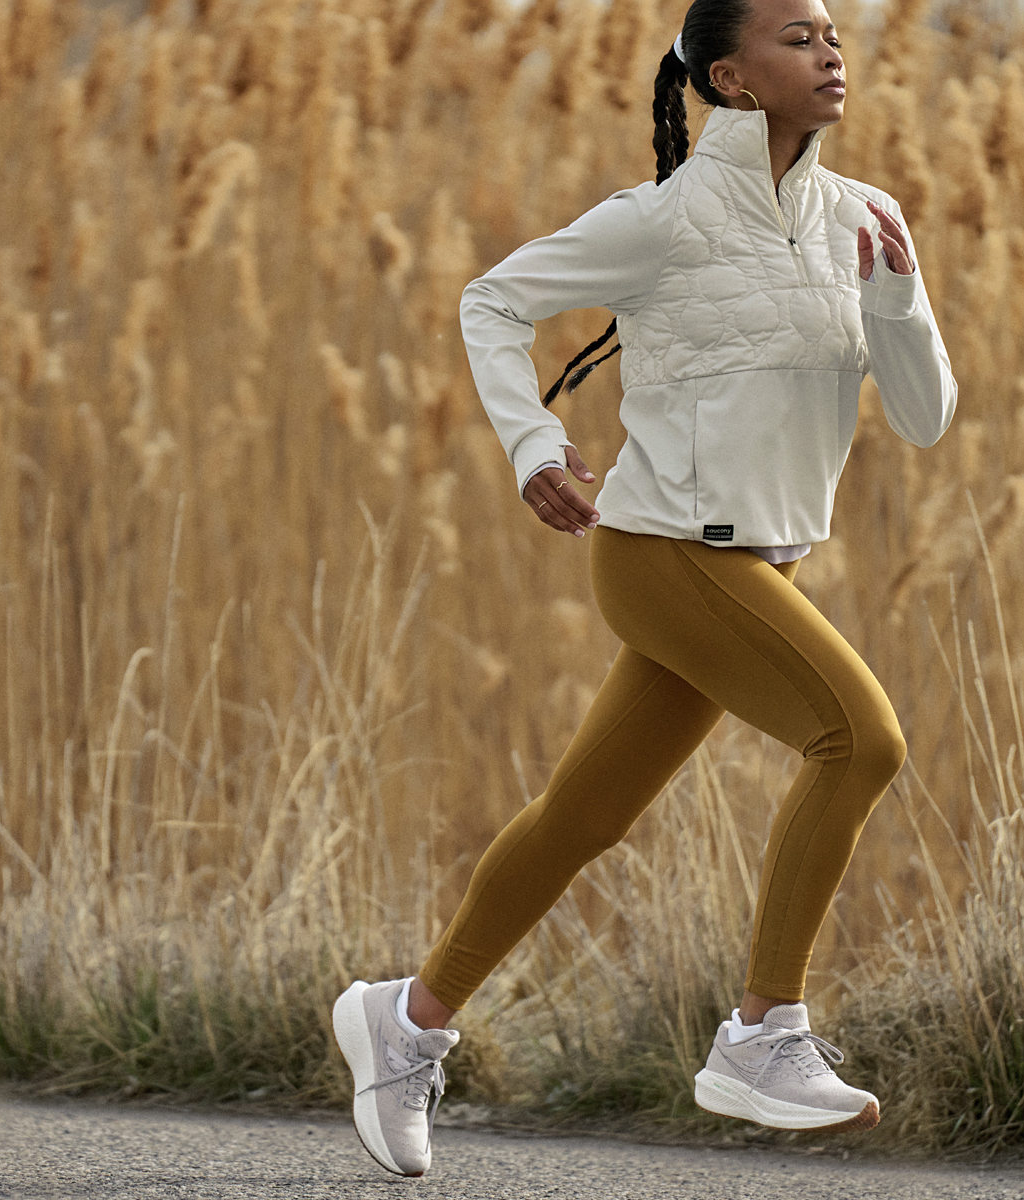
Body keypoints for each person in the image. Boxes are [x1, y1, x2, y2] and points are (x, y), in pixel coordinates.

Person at [332, 0, 957, 1177]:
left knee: (585, 817)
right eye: (795, 37)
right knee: (858, 741)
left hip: (749, 564)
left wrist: (894, 298)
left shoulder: (866, 218)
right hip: (666, 551)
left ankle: (407, 1018)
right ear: (730, 76)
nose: (828, 51)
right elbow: (492, 301)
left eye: (832, 32)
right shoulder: (660, 220)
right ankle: (763, 1032)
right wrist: (532, 447)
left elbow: (923, 420)